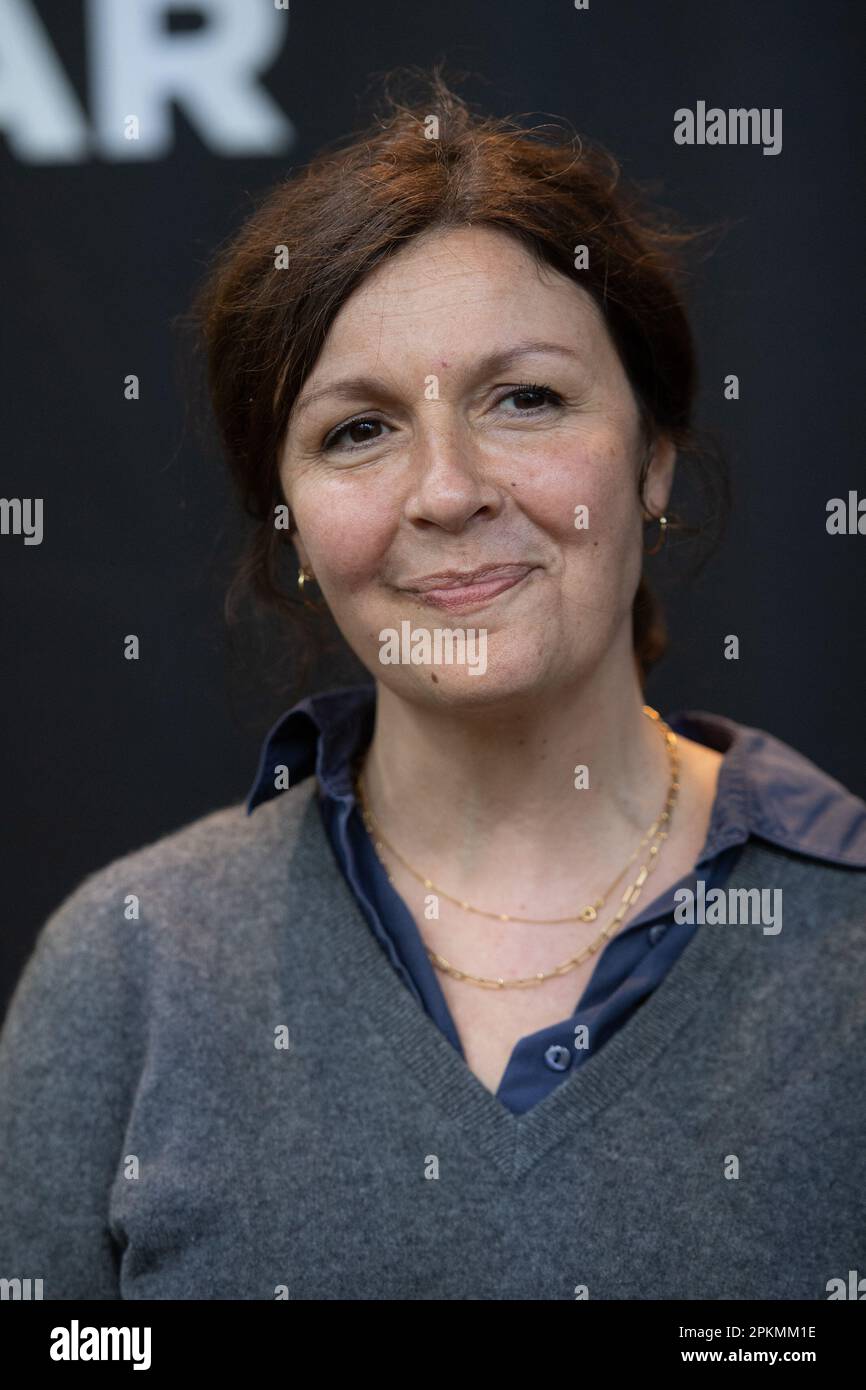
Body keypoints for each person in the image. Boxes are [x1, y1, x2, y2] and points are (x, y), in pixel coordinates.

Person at [2, 73, 864, 1302]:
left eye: (524, 399)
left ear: (653, 460)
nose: (446, 490)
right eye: (356, 429)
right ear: (292, 526)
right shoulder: (125, 971)